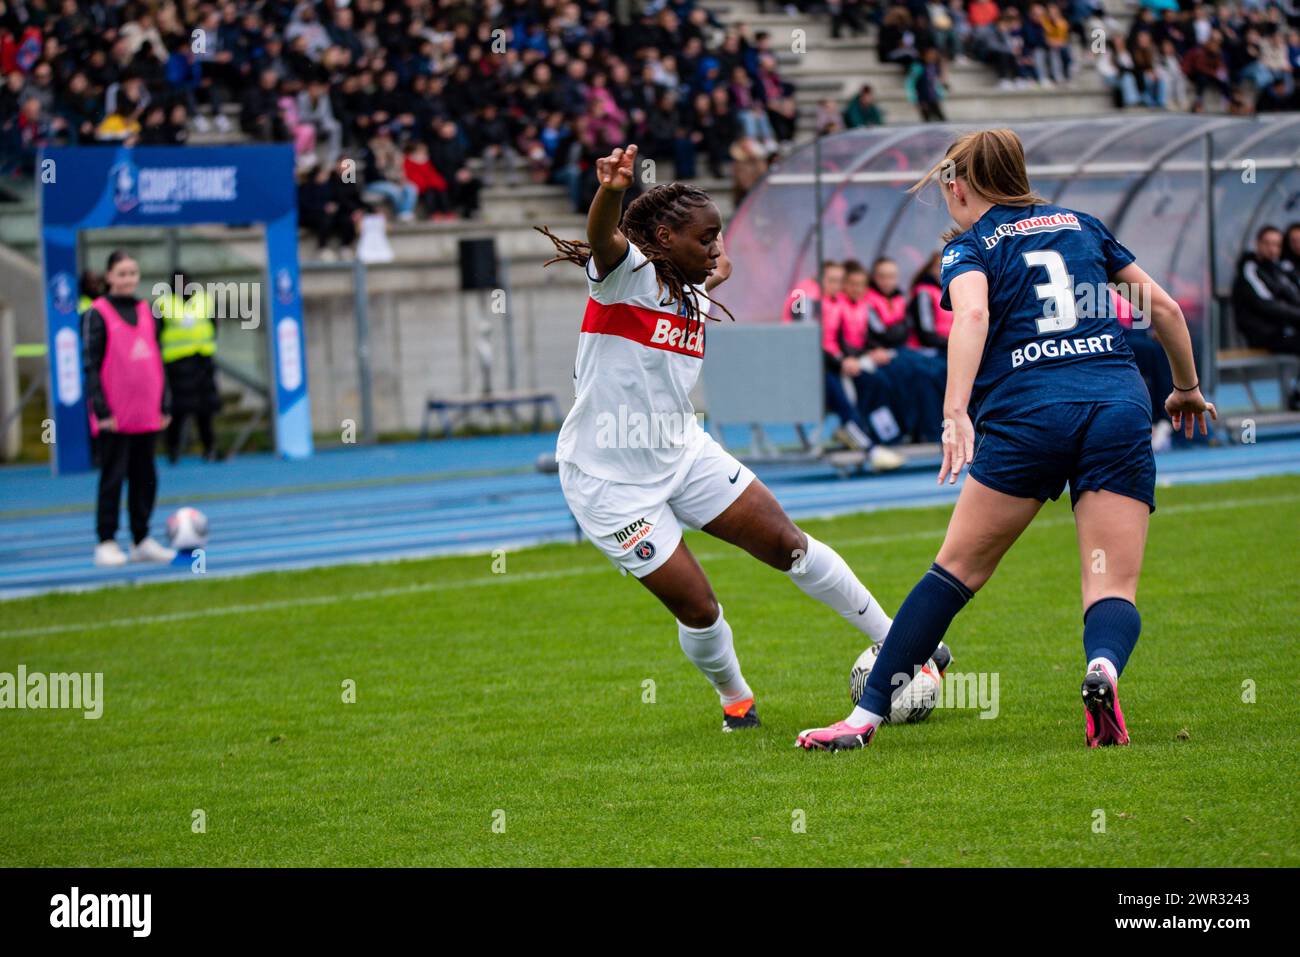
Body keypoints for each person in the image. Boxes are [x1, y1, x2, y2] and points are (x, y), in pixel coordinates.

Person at [798, 129, 1215, 751]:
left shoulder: (972, 247)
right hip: (1116, 405)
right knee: (1109, 584)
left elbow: (971, 316)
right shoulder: (1082, 227)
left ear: (958, 185)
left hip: (1030, 414)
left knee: (955, 571)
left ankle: (862, 721)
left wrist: (954, 411)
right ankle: (1101, 667)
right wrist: (1184, 387)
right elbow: (1167, 312)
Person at [537, 144, 901, 733]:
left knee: (790, 545)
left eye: (718, 237)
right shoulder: (624, 278)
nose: (715, 250)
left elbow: (720, 267)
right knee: (699, 607)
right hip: (609, 481)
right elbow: (603, 239)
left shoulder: (698, 291)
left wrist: (714, 259)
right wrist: (610, 192)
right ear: (661, 236)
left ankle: (901, 645)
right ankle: (737, 702)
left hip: (683, 453)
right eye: (705, 238)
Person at [82, 250, 178, 567]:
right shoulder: (97, 313)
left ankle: (141, 539)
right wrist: (101, 408)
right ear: (108, 277)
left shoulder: (148, 311)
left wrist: (164, 400)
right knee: (113, 476)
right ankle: (106, 540)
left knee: (145, 477)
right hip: (115, 414)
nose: (128, 279)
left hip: (146, 412)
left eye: (133, 273)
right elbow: (91, 364)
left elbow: (156, 357)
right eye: (121, 273)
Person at [1231, 224, 1300, 408]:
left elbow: (1293, 297)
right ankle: (1296, 395)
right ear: (1258, 244)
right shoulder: (1250, 269)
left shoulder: (1278, 271)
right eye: (1268, 244)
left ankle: (1296, 394)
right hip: (1263, 333)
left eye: (1277, 245)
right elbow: (1266, 305)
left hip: (1283, 331)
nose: (1272, 249)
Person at [155, 274, 222, 462]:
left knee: (205, 411)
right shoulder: (164, 303)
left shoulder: (203, 300)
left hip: (202, 362)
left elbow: (214, 325)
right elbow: (158, 332)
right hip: (177, 365)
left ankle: (209, 448)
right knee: (177, 411)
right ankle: (173, 449)